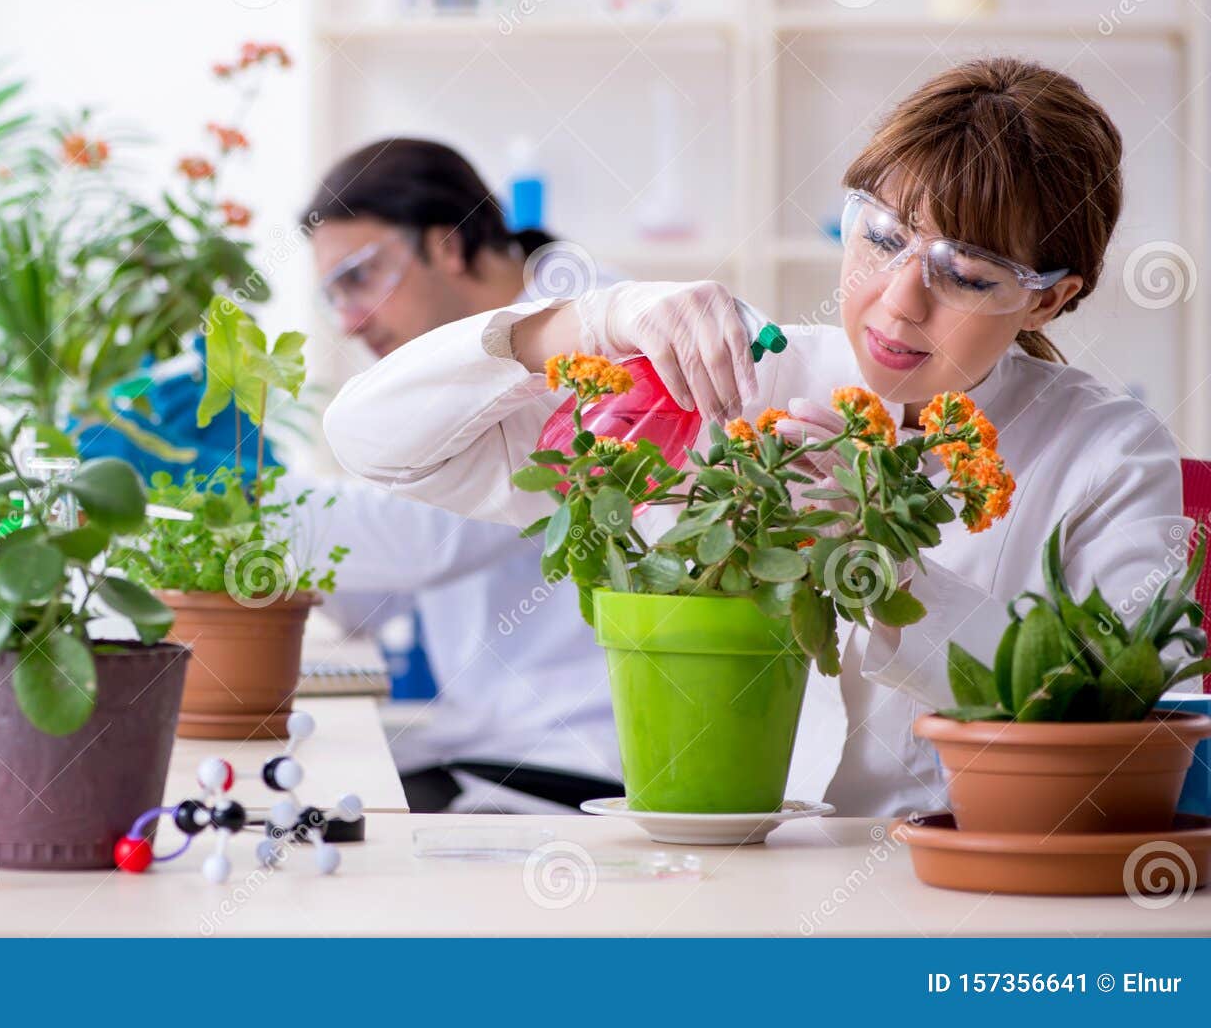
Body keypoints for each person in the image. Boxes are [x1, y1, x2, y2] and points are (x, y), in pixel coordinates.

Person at [324, 58, 1191, 819]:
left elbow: (1122, 724)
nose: (898, 301)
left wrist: (877, 562)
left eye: (964, 276)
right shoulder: (741, 382)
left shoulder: (1108, 454)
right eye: (881, 239)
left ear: (1045, 297)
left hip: (954, 893)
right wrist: (586, 321)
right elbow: (375, 440)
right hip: (712, 860)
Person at [84, 138, 622, 812]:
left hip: (580, 767)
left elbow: (432, 537)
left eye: (360, 277)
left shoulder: (586, 339)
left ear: (449, 244)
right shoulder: (451, 372)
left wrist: (232, 489)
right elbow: (377, 597)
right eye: (333, 295)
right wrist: (261, 488)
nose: (350, 319)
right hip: (493, 750)